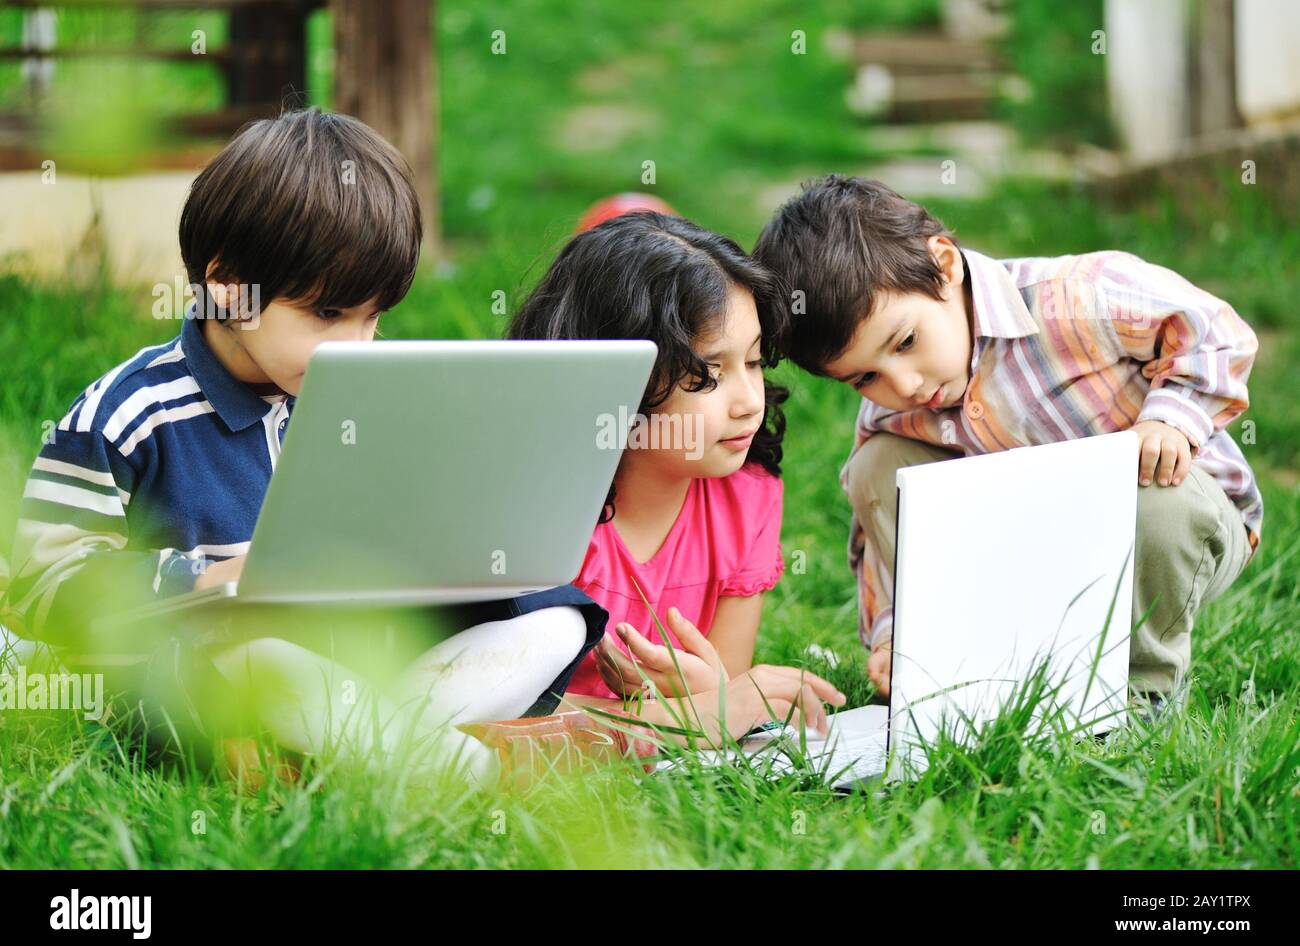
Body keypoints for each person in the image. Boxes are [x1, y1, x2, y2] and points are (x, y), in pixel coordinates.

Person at [6, 107, 613, 785]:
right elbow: (40, 585)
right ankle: (450, 767)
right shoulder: (125, 415)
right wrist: (202, 579)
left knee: (556, 618)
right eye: (327, 314)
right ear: (229, 289)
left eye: (373, 317)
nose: (356, 345)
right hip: (205, 675)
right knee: (260, 662)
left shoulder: (369, 394)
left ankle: (366, 748)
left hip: (352, 657)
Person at [752, 174, 1261, 716]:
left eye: (905, 342)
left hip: (1173, 530)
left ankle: (1140, 695)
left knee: (1158, 500)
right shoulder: (895, 406)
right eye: (864, 378)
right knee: (878, 466)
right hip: (1039, 560)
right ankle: (948, 662)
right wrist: (893, 631)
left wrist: (1173, 420)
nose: (903, 385)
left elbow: (1214, 330)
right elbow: (879, 522)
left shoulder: (1079, 295)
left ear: (944, 266)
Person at [507, 211, 846, 744]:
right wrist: (689, 718)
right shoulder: (537, 512)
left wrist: (712, 694)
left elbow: (721, 691)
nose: (748, 402)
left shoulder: (745, 498)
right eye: (707, 374)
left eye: (754, 363)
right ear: (614, 380)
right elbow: (495, 709)